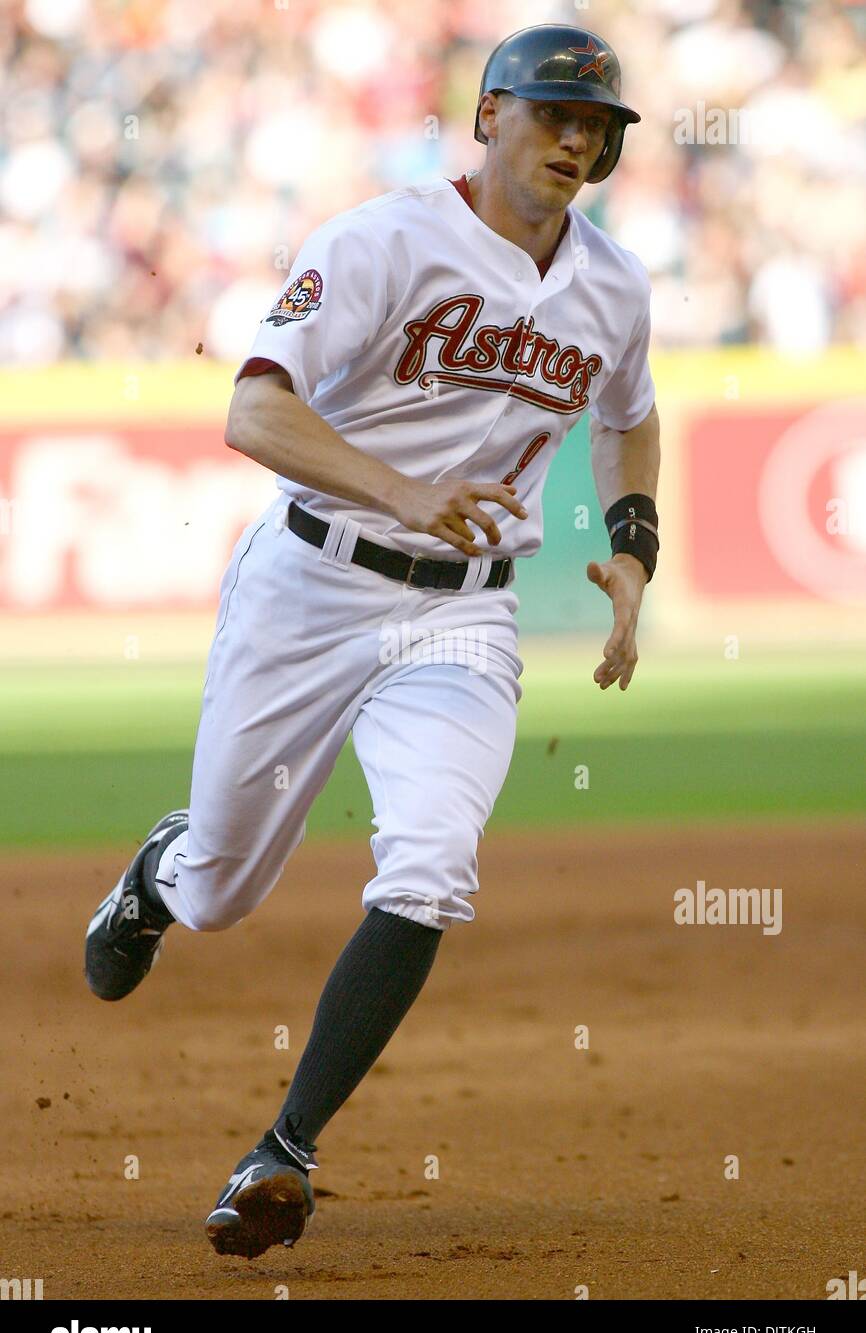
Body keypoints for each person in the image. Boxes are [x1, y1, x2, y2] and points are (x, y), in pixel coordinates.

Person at [84, 24, 661, 1260]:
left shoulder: (613, 284)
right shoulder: (381, 240)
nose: (577, 139)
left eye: (598, 126)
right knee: (225, 890)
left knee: (431, 862)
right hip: (310, 586)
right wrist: (398, 494)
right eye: (555, 114)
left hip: (463, 608)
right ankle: (161, 875)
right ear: (488, 114)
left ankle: (281, 1153)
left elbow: (628, 416)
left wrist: (632, 547)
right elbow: (253, 409)